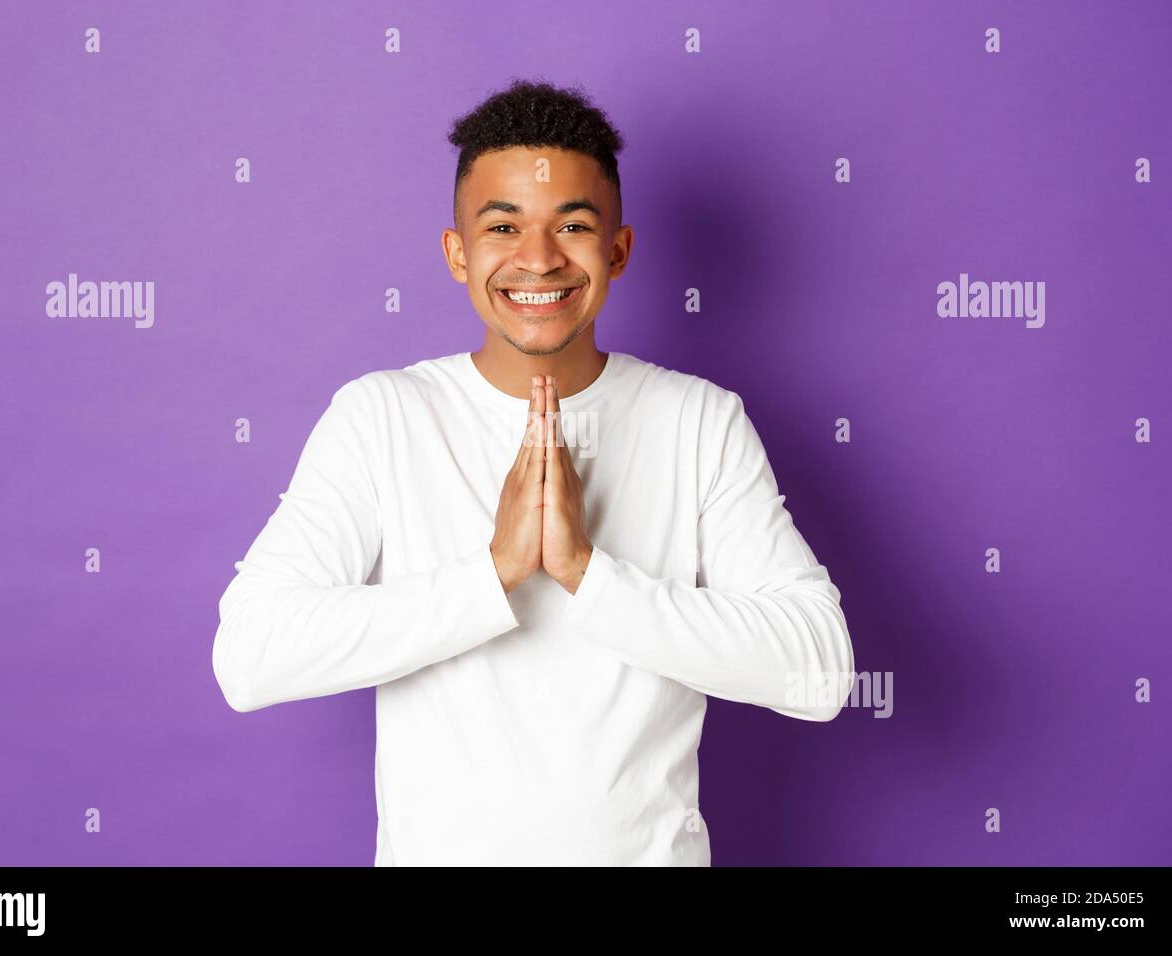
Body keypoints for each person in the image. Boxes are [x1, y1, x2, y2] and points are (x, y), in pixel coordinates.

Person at [211, 78, 854, 866]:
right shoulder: (381, 416)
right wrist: (492, 576)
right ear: (458, 253)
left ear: (618, 251)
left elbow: (818, 671)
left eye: (574, 225)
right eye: (503, 225)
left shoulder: (698, 421)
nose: (539, 258)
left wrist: (587, 573)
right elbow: (249, 657)